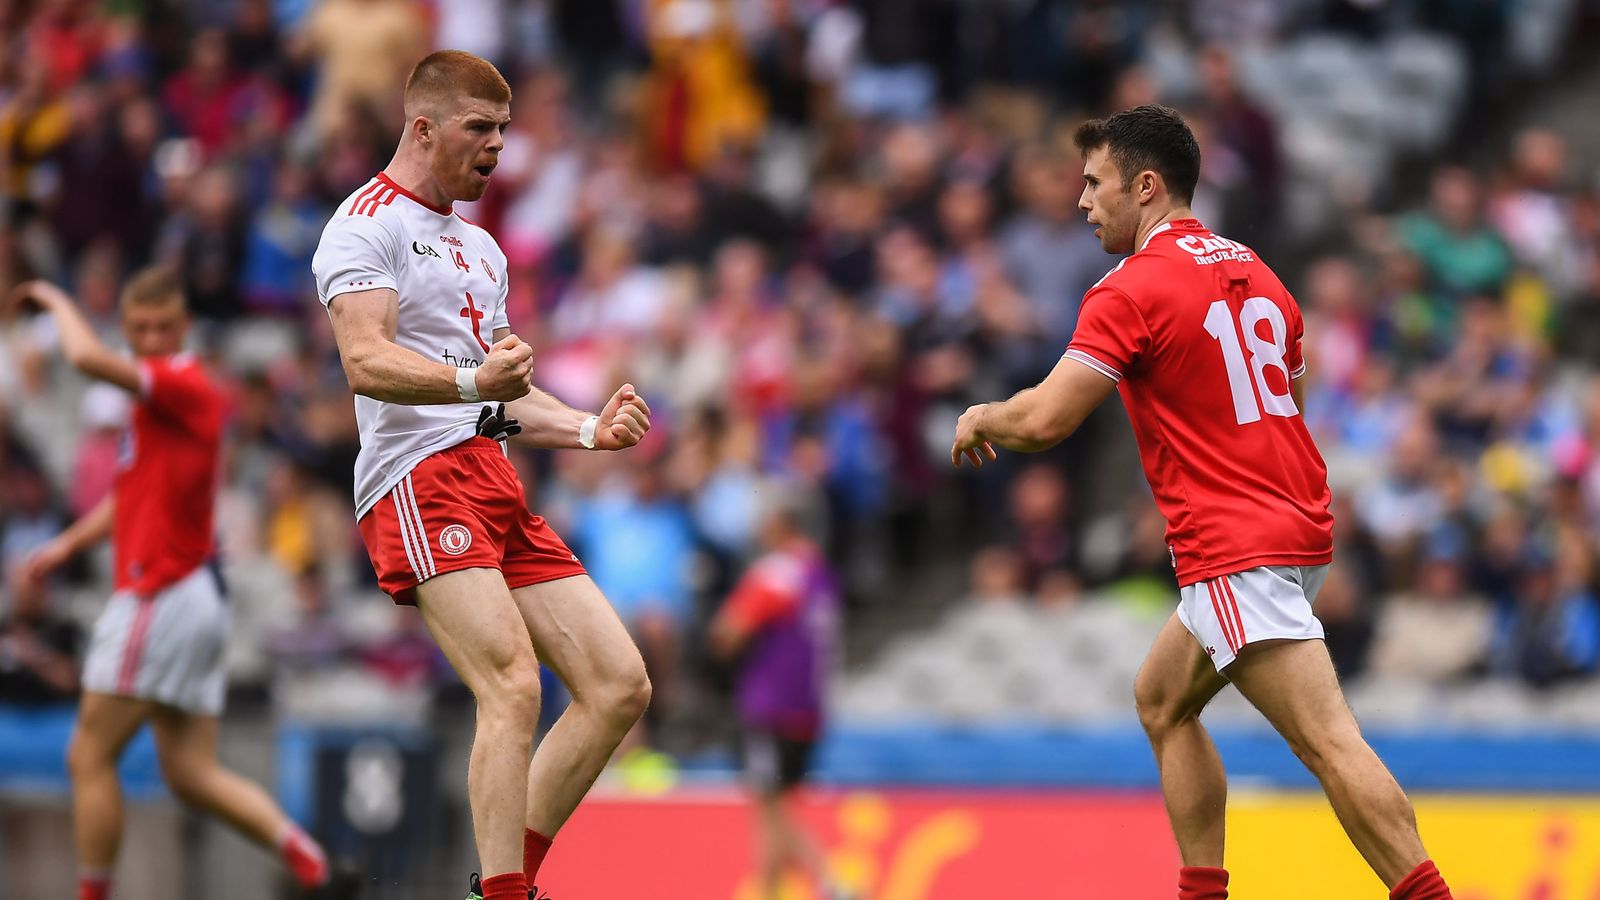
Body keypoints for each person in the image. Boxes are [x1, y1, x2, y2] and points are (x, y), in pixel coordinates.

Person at [948, 106, 1454, 900]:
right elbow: (1287, 384)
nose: (1083, 202)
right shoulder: (1258, 270)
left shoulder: (1130, 287)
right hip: (1297, 526)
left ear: (1145, 187)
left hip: (1234, 544)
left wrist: (983, 414)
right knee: (1161, 699)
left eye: (1094, 183)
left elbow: (1047, 419)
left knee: (1328, 743)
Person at [310, 50, 654, 900]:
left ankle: (499, 887)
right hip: (417, 479)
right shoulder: (364, 225)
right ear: (423, 127)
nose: (499, 146)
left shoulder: (483, 250)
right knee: (510, 682)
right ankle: (504, 895)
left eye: (505, 129)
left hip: (490, 478)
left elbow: (501, 395)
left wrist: (586, 428)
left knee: (619, 686)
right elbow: (364, 359)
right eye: (481, 128)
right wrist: (472, 385)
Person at [12, 268, 335, 900]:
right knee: (189, 773)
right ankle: (310, 860)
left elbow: (81, 355)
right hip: (197, 596)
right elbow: (128, 496)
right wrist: (66, 545)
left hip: (158, 593)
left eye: (164, 326)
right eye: (142, 330)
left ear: (184, 327)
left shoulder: (183, 382)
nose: (154, 338)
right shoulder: (157, 402)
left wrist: (53, 299)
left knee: (88, 756)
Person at [709, 490, 852, 900]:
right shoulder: (821, 573)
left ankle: (832, 882)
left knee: (771, 807)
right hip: (810, 710)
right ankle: (781, 890)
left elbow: (727, 633)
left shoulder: (776, 572)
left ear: (779, 523)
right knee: (776, 803)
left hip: (770, 708)